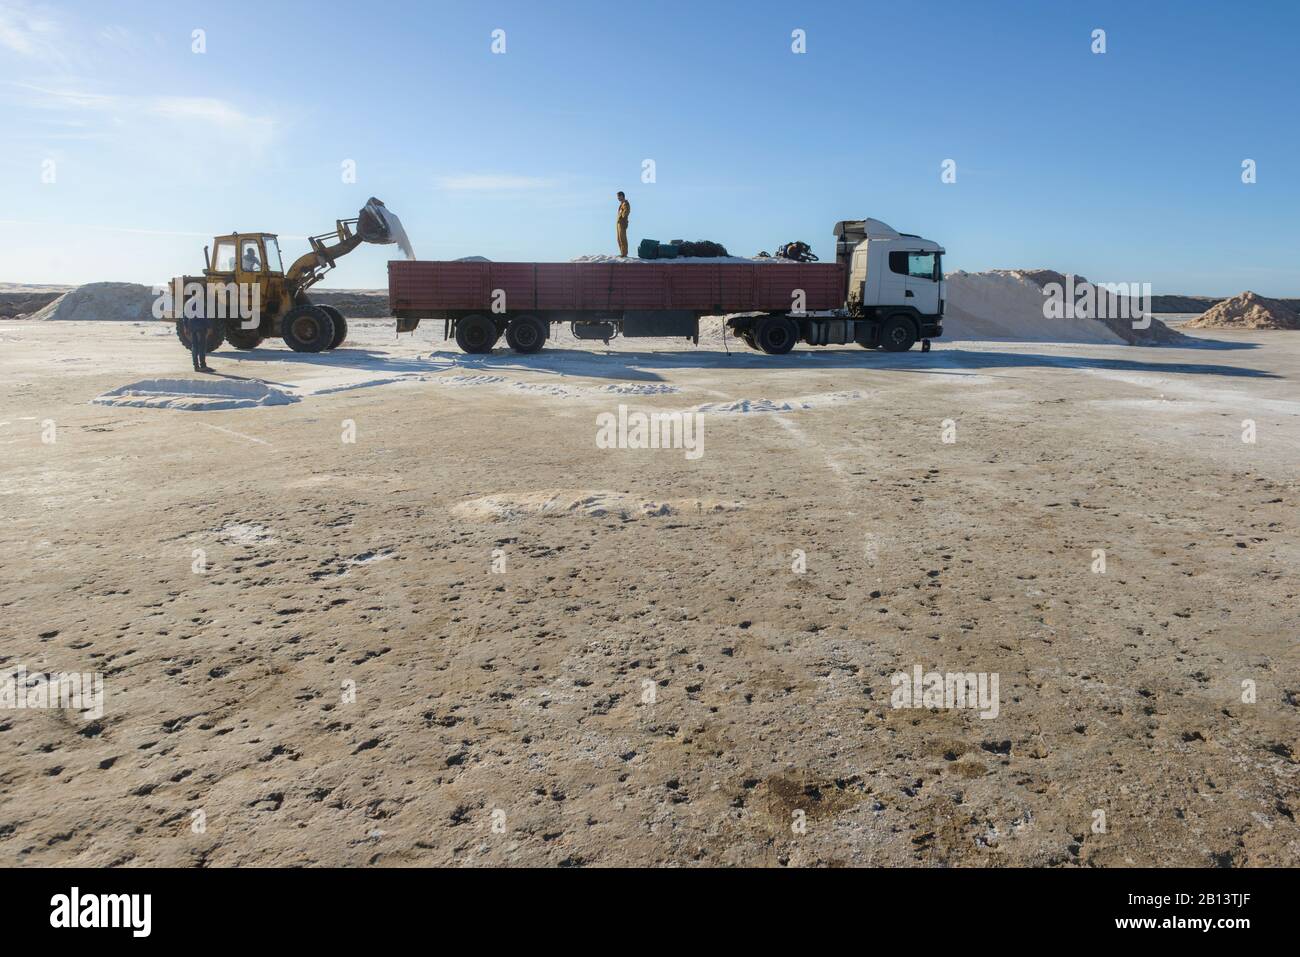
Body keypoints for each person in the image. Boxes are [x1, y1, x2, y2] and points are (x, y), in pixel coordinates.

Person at [615, 191, 630, 257]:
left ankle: (624, 253)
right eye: (617, 197)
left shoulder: (625, 203)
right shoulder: (621, 204)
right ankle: (622, 253)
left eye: (619, 196)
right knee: (619, 238)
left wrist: (623, 217)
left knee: (622, 238)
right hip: (619, 223)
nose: (618, 198)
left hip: (622, 223)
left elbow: (627, 211)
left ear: (622, 196)